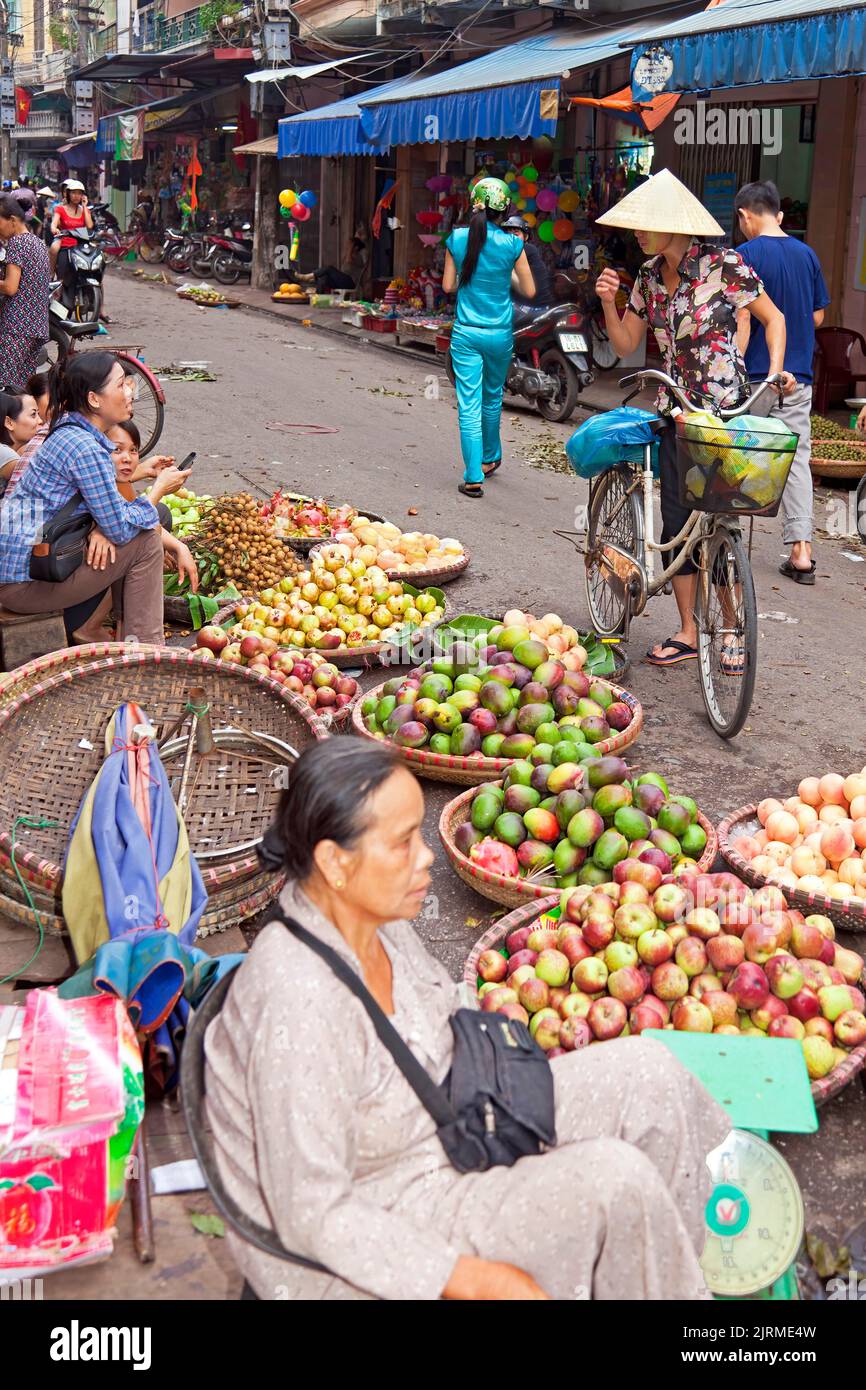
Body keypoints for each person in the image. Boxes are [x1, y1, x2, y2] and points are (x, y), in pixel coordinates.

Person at [204, 739, 729, 1302]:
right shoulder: (297, 1000)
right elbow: (312, 1211)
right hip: (384, 1206)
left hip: (452, 1115)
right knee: (615, 1182)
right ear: (335, 862)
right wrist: (467, 1277)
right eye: (403, 843)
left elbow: (443, 1016)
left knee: (651, 1077)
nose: (427, 854)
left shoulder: (375, 917)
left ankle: (669, 1280)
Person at [593, 169, 793, 668]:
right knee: (678, 516)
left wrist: (775, 371)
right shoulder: (645, 277)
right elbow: (624, 345)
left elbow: (775, 319)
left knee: (722, 518)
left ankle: (729, 627)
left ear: (676, 225)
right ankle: (687, 629)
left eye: (646, 223)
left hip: (724, 409)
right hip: (674, 409)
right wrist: (606, 302)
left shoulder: (724, 265)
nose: (637, 232)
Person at [0, 352, 188, 647]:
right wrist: (158, 489)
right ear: (94, 399)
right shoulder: (86, 448)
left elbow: (108, 513)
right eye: (121, 385)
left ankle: (133, 640)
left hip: (28, 567)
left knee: (134, 529)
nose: (130, 392)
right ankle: (146, 650)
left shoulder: (69, 433)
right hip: (21, 586)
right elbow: (122, 528)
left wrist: (103, 529)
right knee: (148, 537)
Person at [734, 181, 830, 585]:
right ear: (780, 214)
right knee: (796, 462)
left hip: (757, 375)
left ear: (744, 216)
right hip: (798, 377)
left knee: (737, 453)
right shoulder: (807, 254)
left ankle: (726, 541)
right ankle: (802, 551)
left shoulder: (742, 255)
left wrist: (733, 366)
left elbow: (741, 320)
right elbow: (818, 317)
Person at [442, 178, 536, 498]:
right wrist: (504, 270)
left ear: (473, 204)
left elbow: (447, 287)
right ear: (505, 210)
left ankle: (472, 477)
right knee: (493, 397)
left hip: (466, 333)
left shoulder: (457, 239)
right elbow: (530, 289)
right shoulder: (513, 245)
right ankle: (490, 458)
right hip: (499, 335)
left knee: (469, 403)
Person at [72, 419, 198, 643]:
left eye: (133, 450)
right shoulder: (94, 478)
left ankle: (122, 629)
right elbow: (134, 526)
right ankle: (104, 628)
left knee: (156, 521)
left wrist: (176, 545)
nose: (127, 458)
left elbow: (140, 518)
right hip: (71, 581)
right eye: (116, 450)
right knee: (141, 539)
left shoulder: (113, 479)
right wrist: (159, 488)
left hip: (80, 572)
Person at [0, 194, 50, 392]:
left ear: (12, 220)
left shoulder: (16, 243)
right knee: (22, 388)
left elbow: (11, 287)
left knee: (7, 389)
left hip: (17, 327)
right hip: (37, 326)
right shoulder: (37, 243)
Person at [293, 223, 369, 294]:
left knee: (329, 268)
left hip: (350, 283)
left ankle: (307, 277)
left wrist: (351, 248)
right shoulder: (350, 256)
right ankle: (318, 295)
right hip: (343, 281)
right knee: (324, 277)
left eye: (349, 246)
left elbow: (351, 260)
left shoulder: (358, 257)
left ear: (355, 248)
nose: (347, 247)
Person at [502, 215, 554, 308]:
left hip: (533, 308)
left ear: (525, 237)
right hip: (528, 305)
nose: (510, 238)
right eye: (507, 235)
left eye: (516, 234)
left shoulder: (526, 249)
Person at [0, 390, 42, 499]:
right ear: (9, 423)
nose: (41, 421)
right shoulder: (5, 454)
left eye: (39, 414)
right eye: (33, 415)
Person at [49, 178, 93, 276]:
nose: (76, 196)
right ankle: (50, 274)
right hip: (64, 239)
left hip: (80, 242)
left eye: (79, 193)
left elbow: (89, 225)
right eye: (73, 193)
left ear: (83, 196)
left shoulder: (85, 210)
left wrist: (85, 206)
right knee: (54, 248)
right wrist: (54, 228)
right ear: (68, 194)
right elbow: (54, 222)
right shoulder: (60, 208)